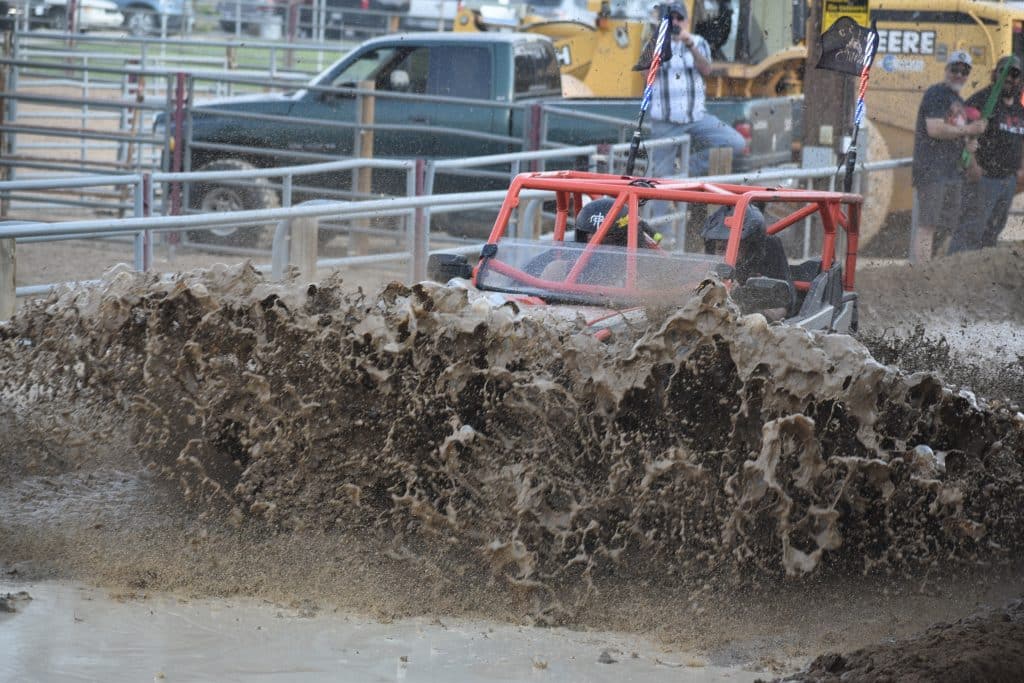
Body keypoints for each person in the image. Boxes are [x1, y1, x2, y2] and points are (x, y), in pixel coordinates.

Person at [635, 3, 747, 219]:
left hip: (696, 117)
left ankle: (684, 170)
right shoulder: (655, 43)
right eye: (671, 19)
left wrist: (690, 44)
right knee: (661, 184)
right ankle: (662, 234)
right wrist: (661, 43)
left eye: (679, 19)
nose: (675, 23)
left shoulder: (697, 42)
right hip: (665, 122)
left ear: (686, 22)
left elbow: (706, 69)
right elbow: (644, 75)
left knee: (736, 142)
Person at [909, 50, 987, 262]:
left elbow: (959, 135)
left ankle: (933, 270)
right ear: (946, 70)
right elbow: (934, 128)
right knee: (928, 225)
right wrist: (968, 131)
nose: (959, 74)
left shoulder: (957, 100)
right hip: (932, 171)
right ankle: (922, 273)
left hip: (953, 172)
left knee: (947, 227)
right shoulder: (937, 94)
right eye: (955, 69)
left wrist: (970, 146)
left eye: (964, 71)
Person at [949, 54, 1024, 254]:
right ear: (994, 74)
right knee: (969, 232)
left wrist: (1020, 169)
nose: (1009, 78)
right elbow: (962, 132)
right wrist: (972, 165)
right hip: (983, 179)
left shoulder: (1019, 106)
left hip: (1008, 181)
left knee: (992, 233)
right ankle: (955, 274)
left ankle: (979, 280)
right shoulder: (981, 100)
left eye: (1015, 74)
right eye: (1004, 72)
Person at [701, 204, 794, 319]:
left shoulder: (767, 257)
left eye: (735, 248)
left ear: (751, 249)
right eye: (721, 249)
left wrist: (742, 298)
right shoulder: (709, 270)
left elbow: (782, 310)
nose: (726, 256)